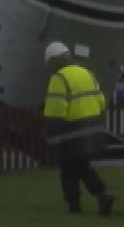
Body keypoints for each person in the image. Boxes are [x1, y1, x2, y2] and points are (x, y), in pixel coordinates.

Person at [42, 42, 113, 216]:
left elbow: (57, 109)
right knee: (79, 166)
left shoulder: (59, 78)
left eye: (51, 63)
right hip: (93, 127)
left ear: (57, 60)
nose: (51, 67)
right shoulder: (86, 73)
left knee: (70, 169)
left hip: (71, 131)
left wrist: (51, 132)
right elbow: (101, 101)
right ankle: (96, 197)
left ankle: (88, 200)